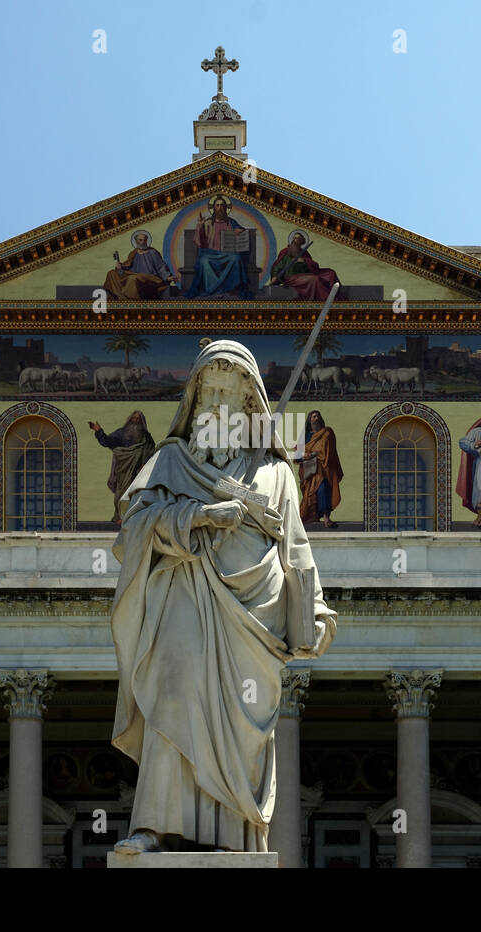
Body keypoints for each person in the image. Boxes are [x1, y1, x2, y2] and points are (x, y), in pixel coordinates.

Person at [109, 340, 336, 854]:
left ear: (250, 405)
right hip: (185, 598)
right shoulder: (170, 460)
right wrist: (198, 517)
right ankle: (153, 826)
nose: (216, 405)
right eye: (208, 393)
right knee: (173, 692)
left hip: (254, 617)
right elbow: (135, 528)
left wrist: (315, 610)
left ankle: (238, 838)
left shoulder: (276, 474)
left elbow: (296, 548)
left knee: (243, 726)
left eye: (227, 395)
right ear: (193, 402)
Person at [89, 410, 156, 523]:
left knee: (135, 494)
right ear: (129, 420)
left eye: (138, 419)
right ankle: (121, 516)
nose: (135, 420)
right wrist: (98, 430)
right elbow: (107, 441)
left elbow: (150, 450)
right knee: (121, 494)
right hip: (123, 469)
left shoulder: (146, 437)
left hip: (138, 471)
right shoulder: (121, 433)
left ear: (142, 422)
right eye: (133, 418)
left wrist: (145, 464)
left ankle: (131, 516)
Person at [185, 196, 250, 298]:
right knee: (204, 261)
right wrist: (201, 227)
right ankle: (212, 290)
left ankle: (230, 289)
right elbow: (201, 243)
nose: (220, 208)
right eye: (217, 205)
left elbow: (240, 230)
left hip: (227, 253)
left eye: (222, 205)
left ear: (225, 208)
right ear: (214, 208)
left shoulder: (231, 222)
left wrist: (240, 230)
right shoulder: (207, 223)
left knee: (236, 258)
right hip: (211, 254)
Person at [295, 409, 343, 528]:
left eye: (317, 416)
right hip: (309, 470)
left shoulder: (327, 433)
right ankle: (314, 516)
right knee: (310, 494)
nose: (316, 418)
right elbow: (297, 455)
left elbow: (328, 450)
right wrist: (304, 456)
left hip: (324, 469)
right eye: (313, 417)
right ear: (309, 420)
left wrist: (313, 454)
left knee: (323, 490)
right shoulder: (306, 437)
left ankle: (326, 518)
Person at [268, 230, 343, 301]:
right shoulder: (285, 252)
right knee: (314, 279)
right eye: (294, 238)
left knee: (330, 273)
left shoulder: (304, 253)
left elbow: (313, 266)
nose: (295, 240)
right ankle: (328, 300)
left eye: (297, 238)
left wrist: (305, 261)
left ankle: (336, 295)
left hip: (305, 275)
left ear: (301, 241)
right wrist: (274, 276)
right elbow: (277, 266)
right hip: (291, 278)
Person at [102, 230, 176, 300]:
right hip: (133, 274)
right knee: (111, 273)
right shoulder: (133, 253)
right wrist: (120, 266)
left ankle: (129, 300)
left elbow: (160, 266)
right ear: (136, 241)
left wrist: (167, 276)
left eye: (144, 240)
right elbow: (128, 266)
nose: (143, 242)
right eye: (140, 240)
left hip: (149, 277)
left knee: (133, 279)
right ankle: (119, 296)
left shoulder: (152, 252)